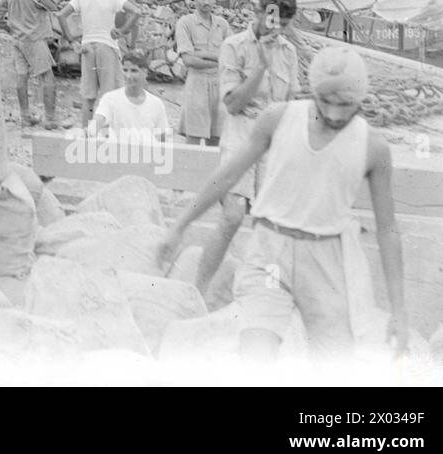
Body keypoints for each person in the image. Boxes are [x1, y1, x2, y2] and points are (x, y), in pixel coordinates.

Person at [159, 46, 406, 358]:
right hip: (271, 253)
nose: (333, 113)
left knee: (334, 361)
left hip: (326, 258)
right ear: (313, 92)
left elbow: (388, 228)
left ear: (360, 100)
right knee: (257, 351)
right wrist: (179, 226)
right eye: (325, 102)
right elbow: (227, 175)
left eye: (345, 105)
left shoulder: (373, 146)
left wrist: (400, 310)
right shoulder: (279, 118)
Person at [194, 0, 301, 298]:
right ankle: (198, 289)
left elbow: (290, 102)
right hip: (241, 136)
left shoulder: (289, 52)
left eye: (283, 25)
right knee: (232, 215)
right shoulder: (234, 45)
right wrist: (261, 66)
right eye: (272, 21)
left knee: (270, 224)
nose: (276, 30)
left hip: (273, 143)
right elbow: (233, 104)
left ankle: (265, 293)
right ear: (257, 13)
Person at [57, 0, 140, 128]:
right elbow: (137, 12)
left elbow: (61, 15)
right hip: (107, 46)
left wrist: (70, 37)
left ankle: (86, 133)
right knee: (109, 95)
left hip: (87, 47)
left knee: (88, 95)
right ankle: (106, 134)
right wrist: (122, 31)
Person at [0, 0, 59, 128]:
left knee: (22, 77)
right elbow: (54, 5)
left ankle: (25, 117)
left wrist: (8, 29)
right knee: (47, 77)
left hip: (17, 39)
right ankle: (50, 119)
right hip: (34, 39)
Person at [175, 0, 231, 145]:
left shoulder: (222, 24)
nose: (206, 2)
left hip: (220, 84)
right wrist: (218, 58)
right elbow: (189, 60)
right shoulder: (185, 23)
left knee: (217, 138)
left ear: (215, 0)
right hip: (197, 84)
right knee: (193, 135)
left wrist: (202, 54)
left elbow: (231, 58)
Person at [93, 50, 169, 142]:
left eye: (134, 71)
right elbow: (97, 123)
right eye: (125, 70)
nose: (128, 76)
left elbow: (162, 139)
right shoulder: (109, 99)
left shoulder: (156, 104)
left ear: (145, 72)